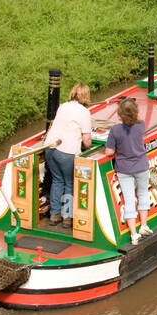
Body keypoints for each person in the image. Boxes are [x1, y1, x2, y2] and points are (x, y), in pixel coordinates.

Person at [105, 97, 153, 245]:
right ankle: (143, 226)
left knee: (129, 199)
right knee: (143, 194)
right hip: (141, 166)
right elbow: (138, 117)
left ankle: (133, 234)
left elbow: (108, 152)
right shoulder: (140, 125)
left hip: (124, 170)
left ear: (119, 115)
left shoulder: (115, 130)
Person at [44, 83, 92, 228]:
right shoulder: (84, 112)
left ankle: (54, 215)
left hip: (50, 148)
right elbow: (87, 141)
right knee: (69, 183)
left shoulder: (63, 106)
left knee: (57, 181)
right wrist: (84, 145)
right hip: (67, 152)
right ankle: (67, 218)